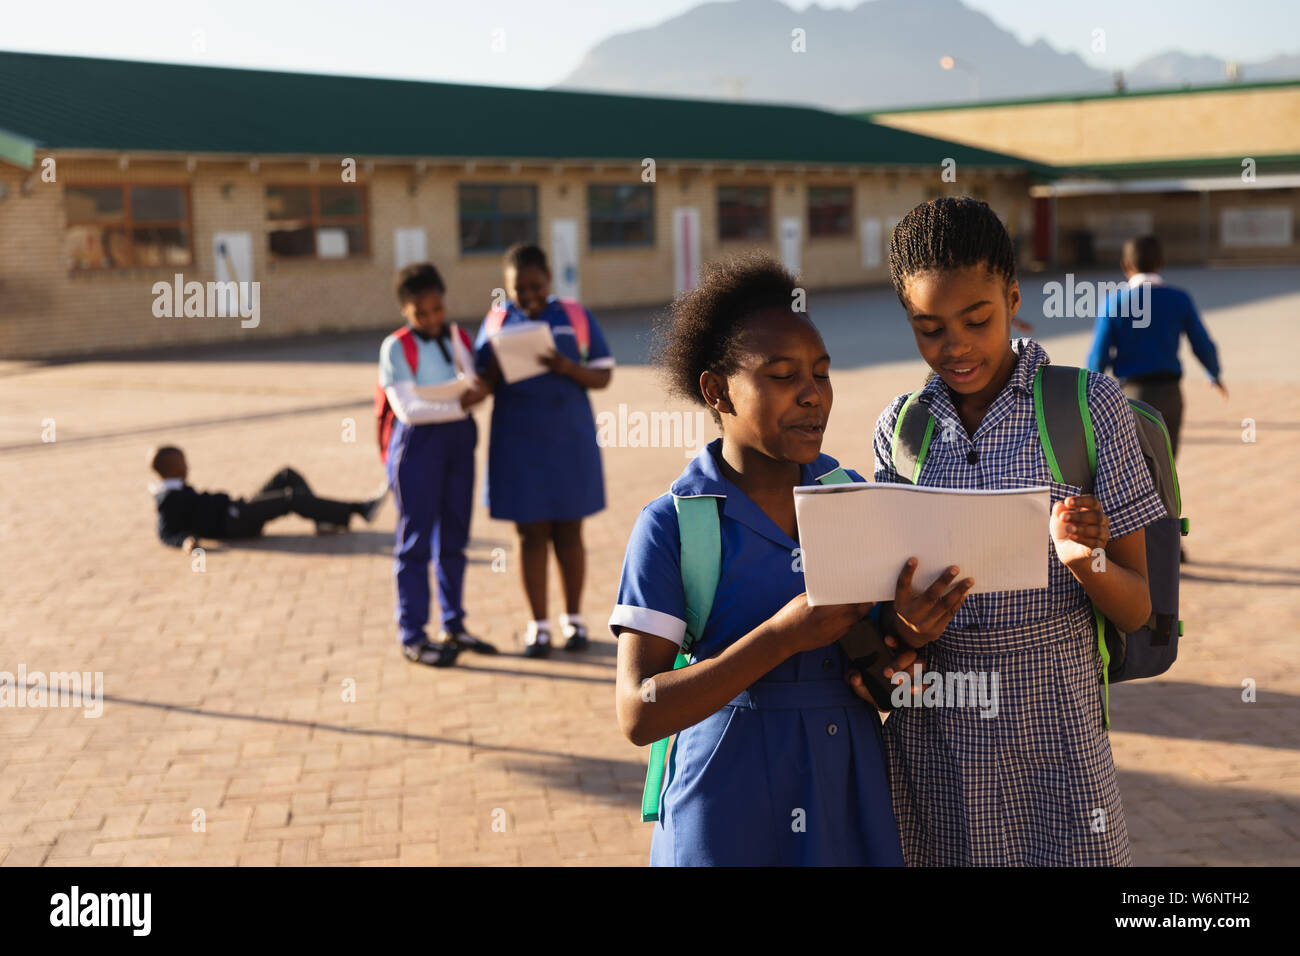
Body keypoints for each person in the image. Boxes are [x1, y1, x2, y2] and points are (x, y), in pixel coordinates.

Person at [871, 197, 1167, 866]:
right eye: (928, 328)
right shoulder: (902, 429)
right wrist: (908, 626)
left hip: (1057, 748)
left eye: (977, 320)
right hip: (935, 746)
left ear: (1011, 297)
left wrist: (1082, 560)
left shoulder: (1086, 405)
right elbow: (887, 612)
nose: (955, 347)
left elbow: (1138, 606)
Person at [610, 253, 911, 866]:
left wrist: (907, 633)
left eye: (821, 374)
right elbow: (639, 712)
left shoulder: (848, 498)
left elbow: (880, 678)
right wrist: (778, 639)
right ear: (716, 390)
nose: (811, 395)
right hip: (727, 804)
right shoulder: (674, 523)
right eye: (781, 376)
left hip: (843, 792)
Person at [474, 243, 615, 657]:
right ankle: (538, 626)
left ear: (549, 280)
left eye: (535, 286)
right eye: (520, 290)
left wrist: (565, 366)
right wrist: (495, 368)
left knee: (570, 530)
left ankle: (574, 621)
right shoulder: (497, 320)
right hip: (517, 442)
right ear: (507, 288)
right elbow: (483, 381)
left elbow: (603, 376)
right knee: (529, 533)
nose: (529, 296)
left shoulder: (574, 316)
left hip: (568, 439)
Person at [380, 262, 497, 668]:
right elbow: (409, 410)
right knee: (414, 543)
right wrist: (459, 403)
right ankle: (412, 635)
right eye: (420, 312)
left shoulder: (457, 336)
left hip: (458, 445)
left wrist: (472, 395)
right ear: (405, 311)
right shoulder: (395, 347)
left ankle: (454, 625)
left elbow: (474, 385)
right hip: (418, 448)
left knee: (454, 540)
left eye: (436, 309)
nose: (431, 319)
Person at [1086, 234, 1226, 459]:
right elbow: (1202, 344)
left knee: (1134, 468)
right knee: (1167, 468)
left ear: (1125, 266)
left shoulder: (1115, 303)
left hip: (1132, 395)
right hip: (1171, 394)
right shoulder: (1179, 299)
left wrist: (1089, 396)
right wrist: (1214, 374)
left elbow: (1098, 356)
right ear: (1161, 263)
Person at [150, 446, 384, 552]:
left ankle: (323, 520)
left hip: (237, 509)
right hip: (234, 523)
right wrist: (186, 542)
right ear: (174, 469)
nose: (187, 465)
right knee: (289, 499)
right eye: (183, 461)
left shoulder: (175, 489)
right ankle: (359, 509)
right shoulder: (168, 498)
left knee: (286, 475)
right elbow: (166, 533)